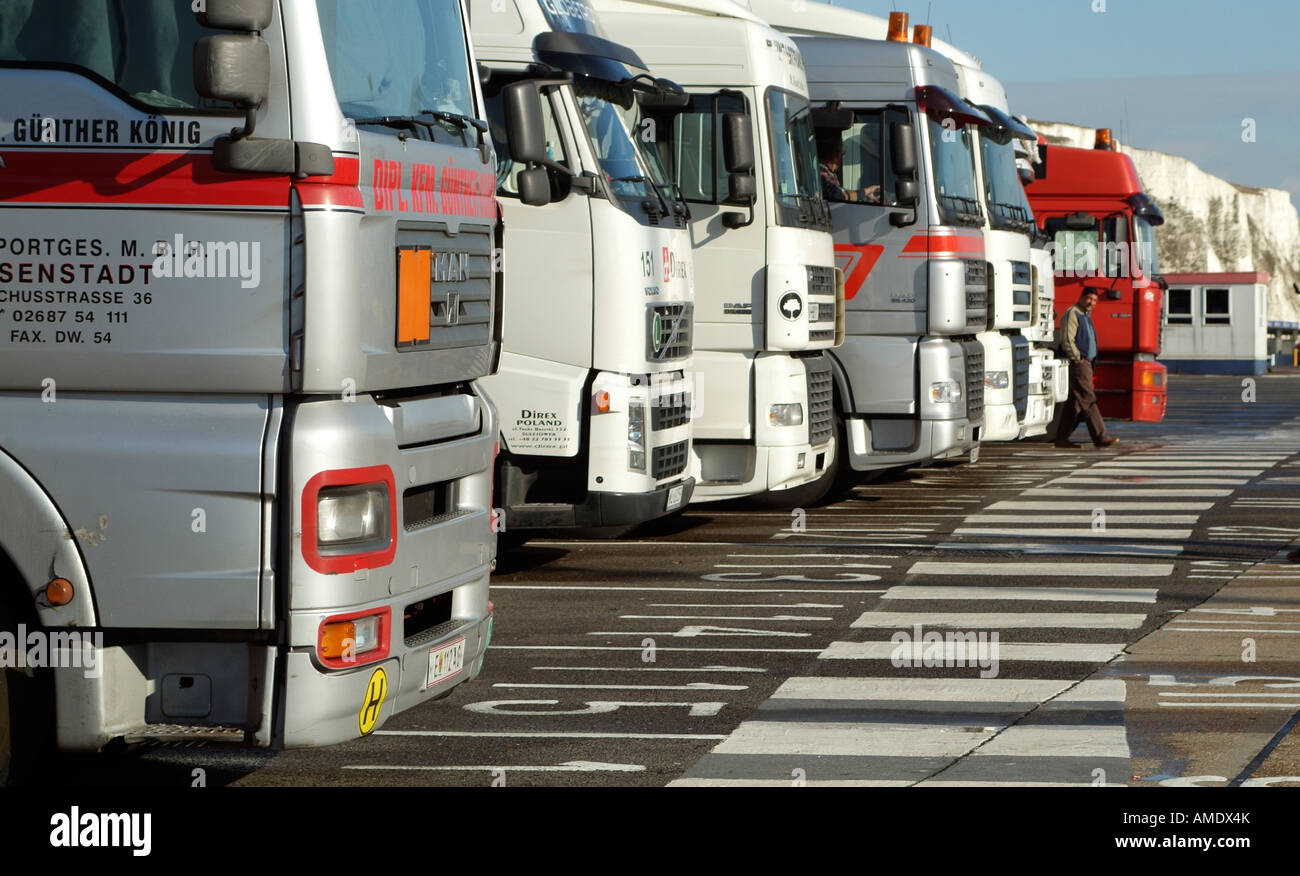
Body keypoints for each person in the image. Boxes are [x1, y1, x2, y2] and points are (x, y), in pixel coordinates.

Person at [1055, 288, 1119, 448]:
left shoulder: (1085, 316)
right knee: (1089, 399)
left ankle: (1061, 439)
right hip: (1080, 364)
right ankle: (1101, 438)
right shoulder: (1073, 313)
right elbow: (1067, 340)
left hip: (1087, 364)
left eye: (1095, 300)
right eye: (1089, 298)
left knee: (1074, 403)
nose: (1092, 303)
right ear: (1082, 297)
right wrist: (1077, 359)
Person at [817, 136, 882, 204]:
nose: (841, 159)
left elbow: (841, 192)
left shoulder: (825, 173)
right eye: (842, 154)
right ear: (837, 154)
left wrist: (866, 196)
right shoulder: (822, 173)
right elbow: (839, 196)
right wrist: (867, 191)